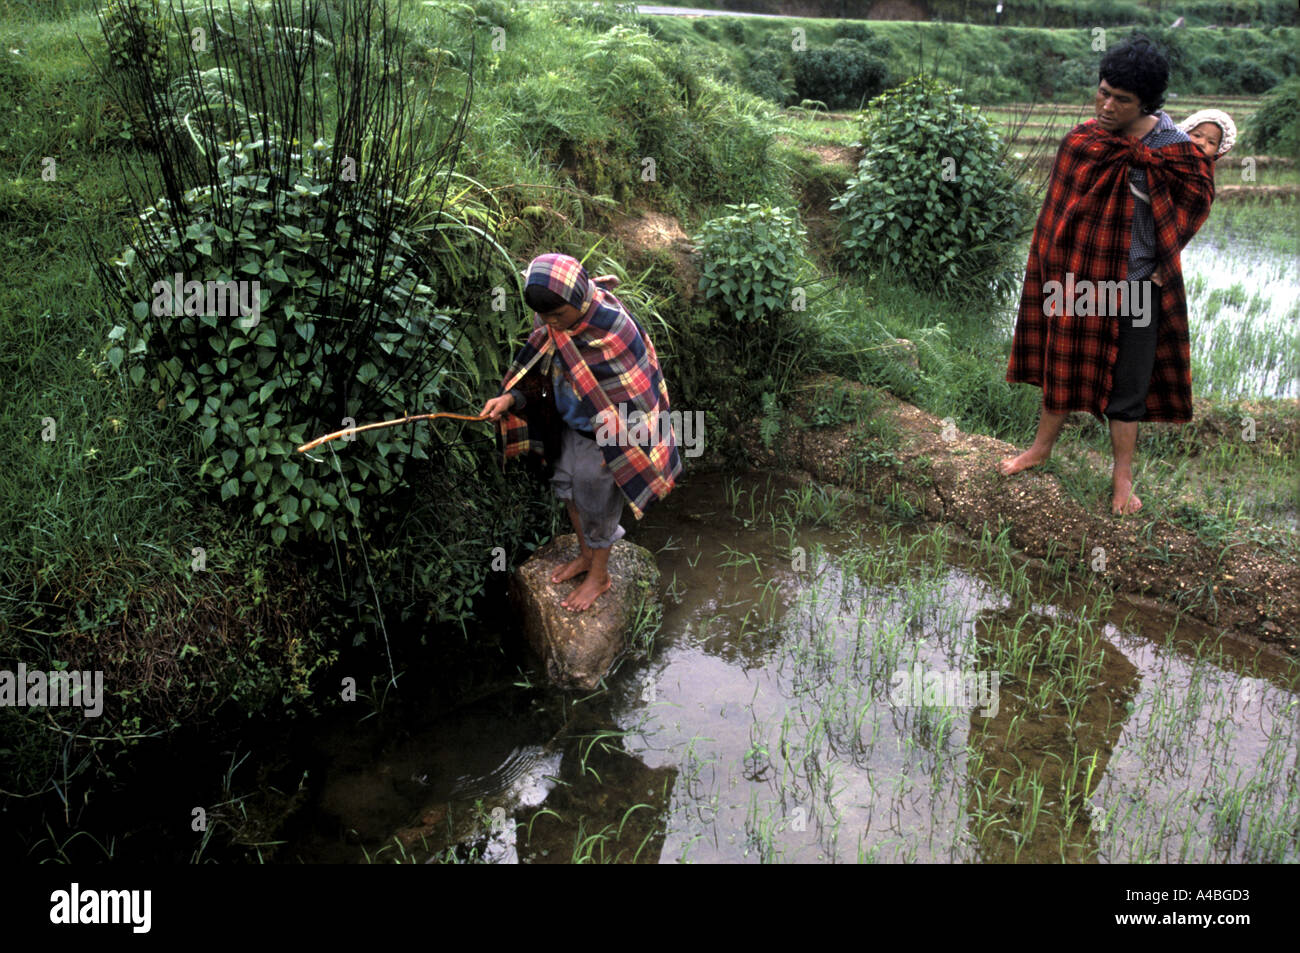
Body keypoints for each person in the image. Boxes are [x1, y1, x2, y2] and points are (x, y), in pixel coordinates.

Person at [1000, 35, 1214, 515]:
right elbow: (1058, 219)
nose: (1107, 105)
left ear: (1147, 103)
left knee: (1128, 387)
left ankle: (1122, 481)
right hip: (1079, 279)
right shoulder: (1083, 141)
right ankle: (1040, 450)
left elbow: (1195, 204)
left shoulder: (1177, 152)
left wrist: (1164, 259)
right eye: (1103, 92)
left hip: (1135, 285)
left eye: (1122, 100)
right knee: (1063, 362)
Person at [481, 254, 682, 612]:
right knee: (568, 489)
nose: (550, 324)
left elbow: (635, 393)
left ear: (579, 301)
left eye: (557, 316)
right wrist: (511, 397)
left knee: (598, 501)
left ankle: (600, 576)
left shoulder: (612, 328)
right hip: (567, 425)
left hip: (607, 435)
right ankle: (587, 555)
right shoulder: (553, 323)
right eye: (544, 318)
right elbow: (537, 375)